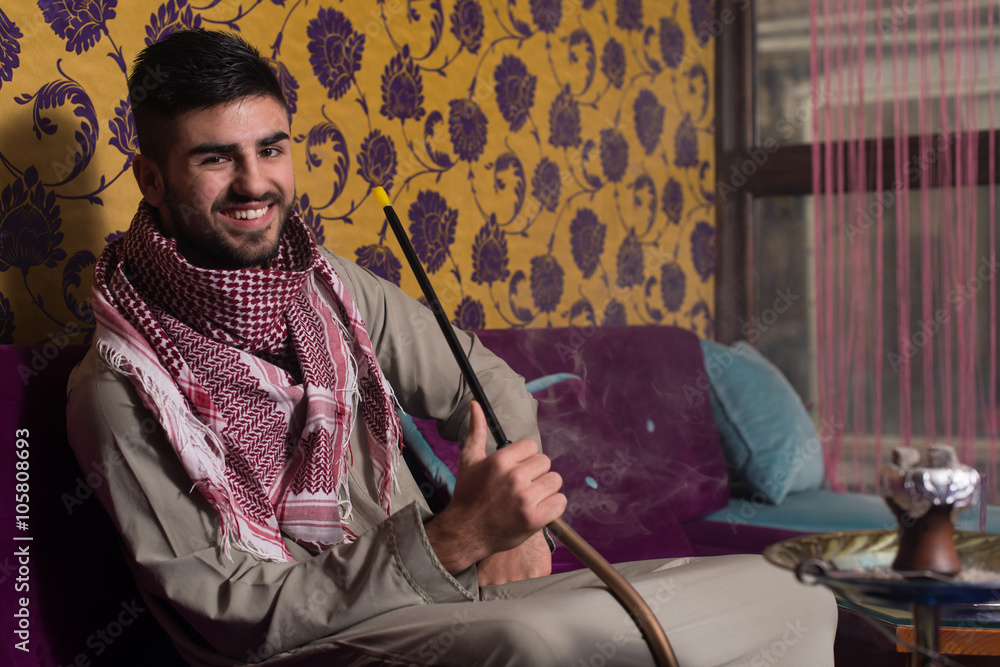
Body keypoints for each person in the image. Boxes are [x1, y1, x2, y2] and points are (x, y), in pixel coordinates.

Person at [66, 29, 837, 666]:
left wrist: (515, 523)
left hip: (452, 590)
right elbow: (232, 611)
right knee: (530, 642)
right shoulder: (121, 383)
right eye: (214, 158)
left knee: (796, 591)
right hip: (314, 640)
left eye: (271, 149)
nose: (254, 182)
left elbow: (490, 387)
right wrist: (455, 536)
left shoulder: (326, 282)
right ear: (153, 179)